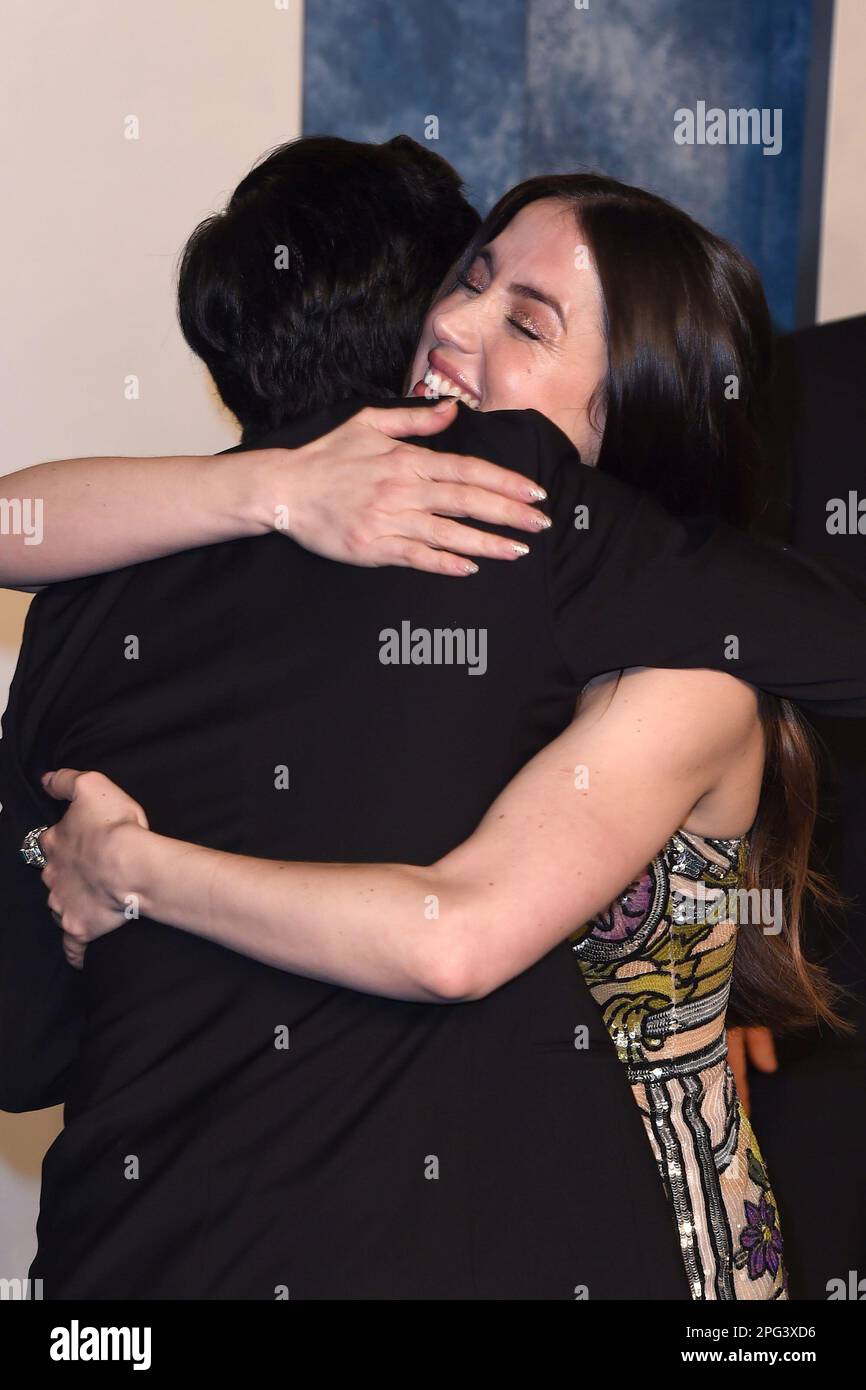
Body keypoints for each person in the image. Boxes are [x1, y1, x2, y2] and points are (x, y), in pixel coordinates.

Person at [4, 146, 866, 1300]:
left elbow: (30, 1043)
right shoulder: (481, 541)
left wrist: (130, 870)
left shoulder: (105, 590)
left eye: (528, 319)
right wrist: (286, 489)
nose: (456, 324)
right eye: (467, 279)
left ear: (633, 408)